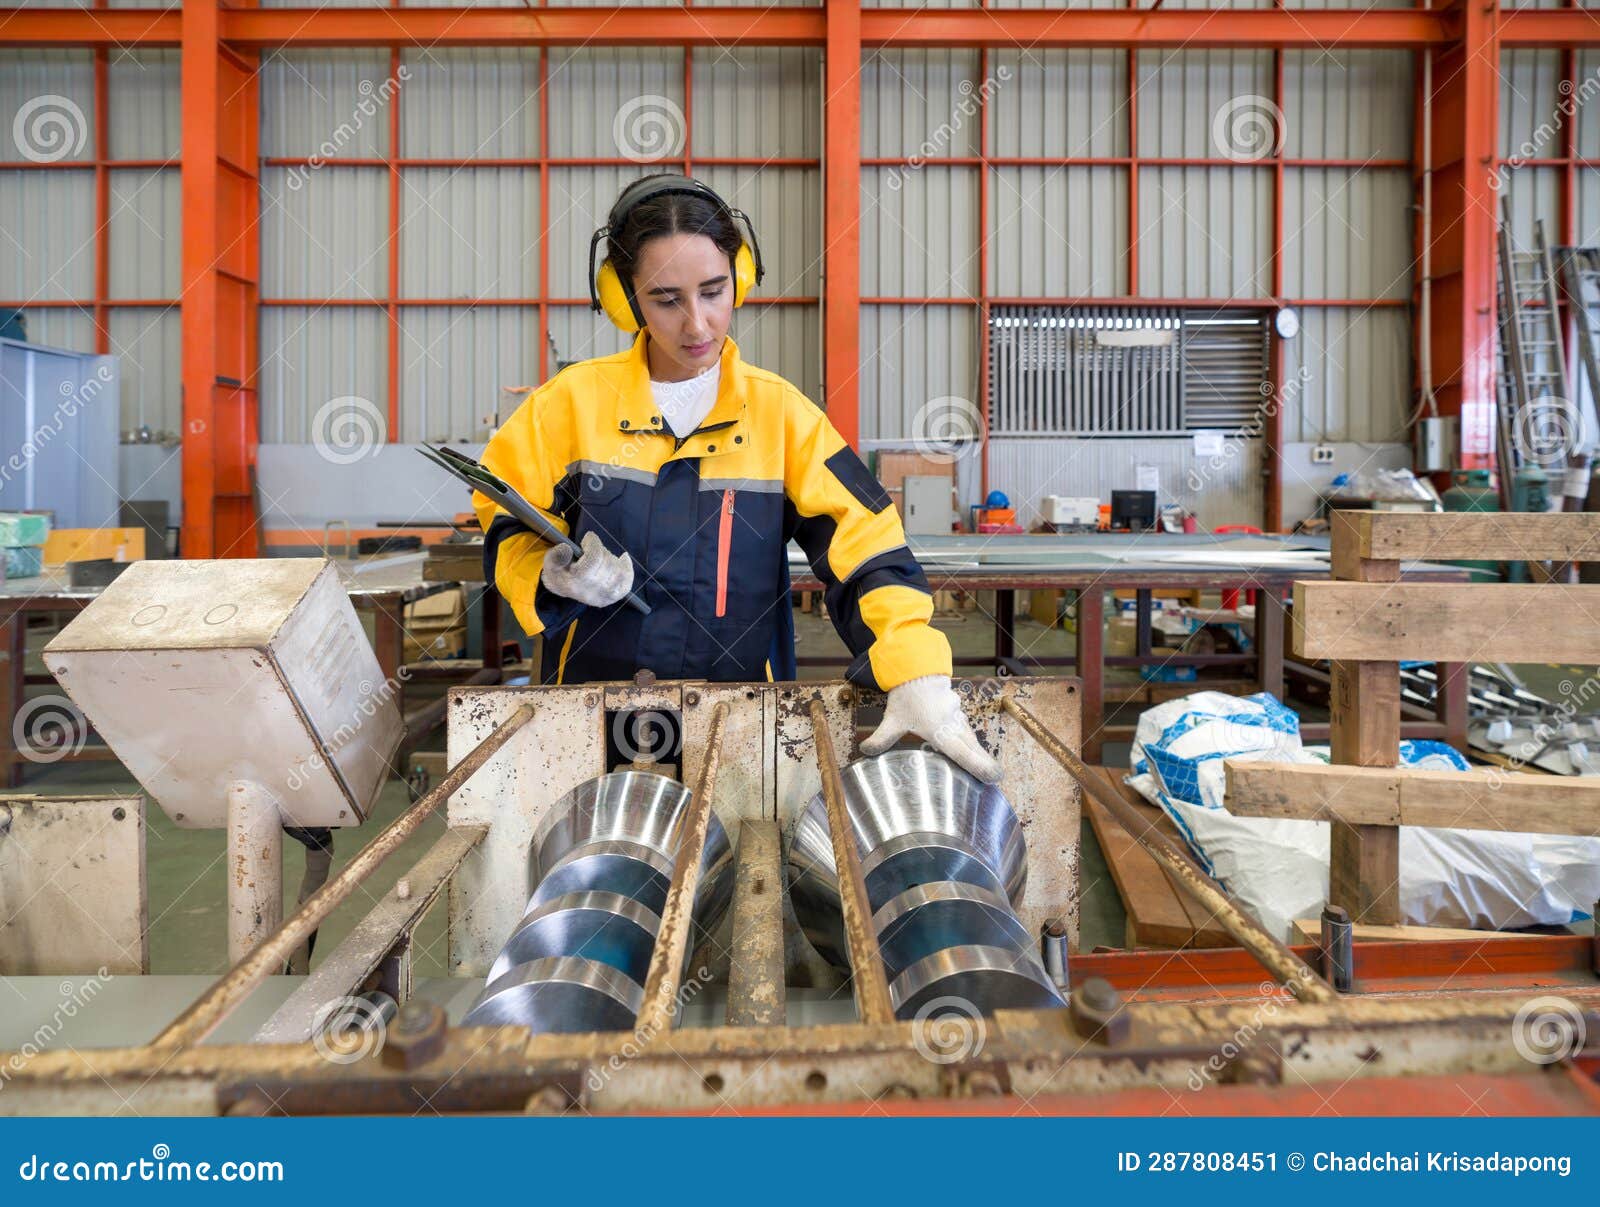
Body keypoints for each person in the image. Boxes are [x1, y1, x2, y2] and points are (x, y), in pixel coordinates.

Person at [472, 174, 998, 782]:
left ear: (739, 280)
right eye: (666, 299)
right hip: (589, 715)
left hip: (745, 717)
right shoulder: (566, 405)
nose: (697, 324)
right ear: (625, 299)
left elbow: (869, 548)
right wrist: (545, 571)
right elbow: (504, 511)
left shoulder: (782, 416)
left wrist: (913, 669)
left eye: (713, 291)